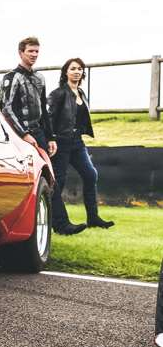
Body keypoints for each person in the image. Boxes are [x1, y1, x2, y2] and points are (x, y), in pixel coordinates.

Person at [48, 58, 113, 233]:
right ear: (65, 72)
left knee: (91, 174)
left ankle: (93, 218)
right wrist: (51, 138)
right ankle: (59, 224)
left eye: (80, 69)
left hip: (77, 142)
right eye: (73, 68)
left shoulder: (81, 93)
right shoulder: (58, 94)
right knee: (58, 183)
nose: (77, 71)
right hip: (61, 142)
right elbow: (48, 118)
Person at [0, 37, 58, 159]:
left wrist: (50, 137)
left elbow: (43, 108)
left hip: (38, 132)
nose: (34, 54)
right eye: (30, 51)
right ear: (21, 53)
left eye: (37, 51)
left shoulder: (40, 78)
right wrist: (24, 134)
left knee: (46, 165)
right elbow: (7, 109)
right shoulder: (11, 77)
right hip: (18, 134)